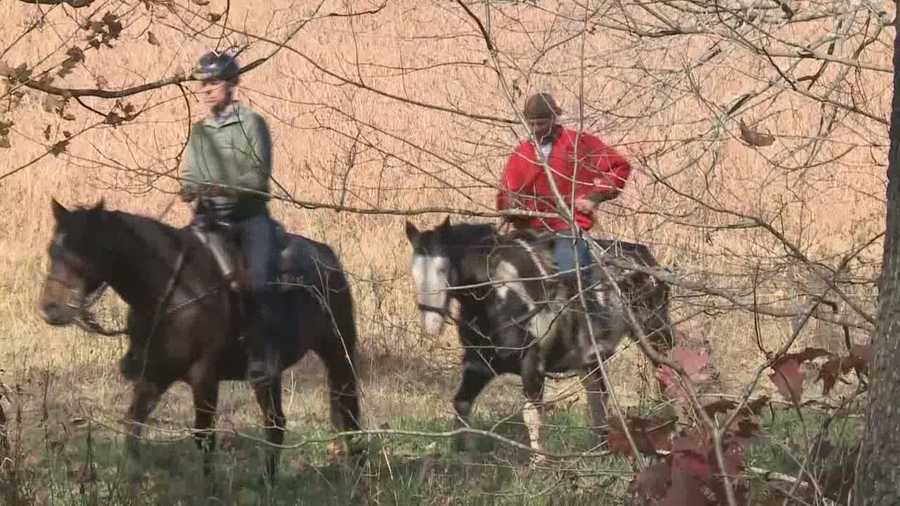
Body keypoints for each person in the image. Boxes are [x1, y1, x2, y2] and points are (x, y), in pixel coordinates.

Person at [496, 92, 633, 365]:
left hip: (567, 226)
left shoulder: (579, 144)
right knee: (496, 268)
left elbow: (620, 167)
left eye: (541, 123)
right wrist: (511, 205)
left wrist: (594, 197)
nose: (536, 129)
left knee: (573, 273)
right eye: (531, 123)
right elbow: (504, 195)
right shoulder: (521, 153)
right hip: (529, 230)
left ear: (554, 118)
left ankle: (593, 334)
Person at [179, 50, 280, 385]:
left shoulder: (252, 124)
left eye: (214, 82)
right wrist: (191, 189)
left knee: (258, 281)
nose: (207, 89)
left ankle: (261, 356)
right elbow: (190, 176)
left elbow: (259, 179)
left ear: (232, 83)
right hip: (208, 223)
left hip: (248, 219)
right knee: (175, 269)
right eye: (203, 84)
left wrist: (224, 186)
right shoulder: (200, 131)